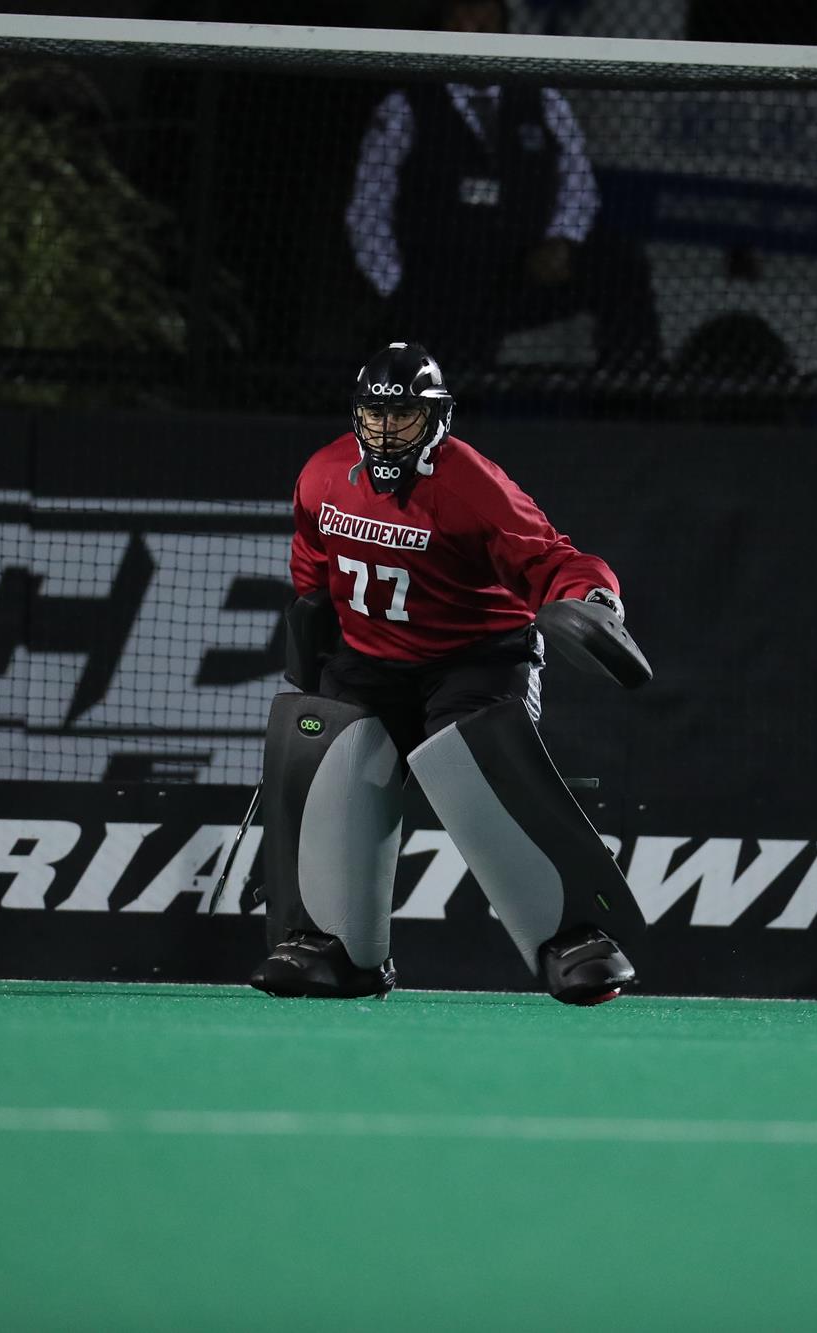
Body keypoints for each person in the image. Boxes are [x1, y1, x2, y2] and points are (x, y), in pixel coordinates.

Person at [250, 339, 649, 1004]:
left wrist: (593, 600)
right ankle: (336, 949)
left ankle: (575, 937)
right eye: (374, 414)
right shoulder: (322, 474)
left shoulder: (473, 486)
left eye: (401, 415)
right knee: (332, 765)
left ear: (436, 418)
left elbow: (554, 560)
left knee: (478, 768)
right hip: (367, 658)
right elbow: (311, 566)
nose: (384, 429)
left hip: (474, 658)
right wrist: (312, 641)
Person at [343, 0, 662, 372]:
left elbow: (578, 182)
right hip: (442, 279)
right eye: (461, 18)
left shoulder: (542, 102)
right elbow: (368, 209)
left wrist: (562, 238)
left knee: (618, 262)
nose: (474, 29)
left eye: (485, 19)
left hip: (520, 268)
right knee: (450, 375)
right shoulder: (405, 108)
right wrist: (396, 287)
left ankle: (631, 388)